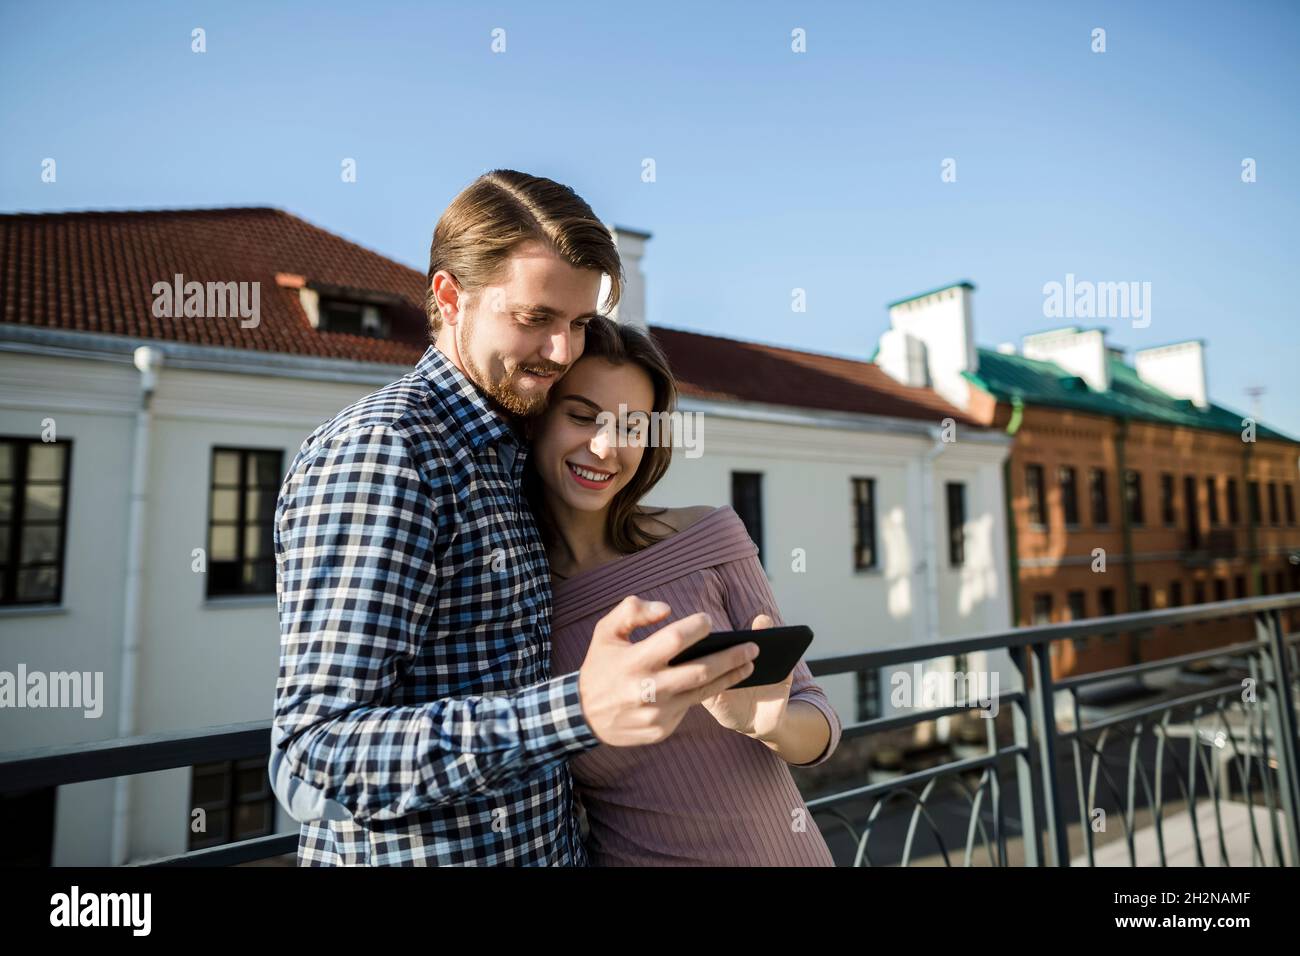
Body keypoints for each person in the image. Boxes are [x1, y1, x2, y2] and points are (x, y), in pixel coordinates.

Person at [268, 170, 758, 865]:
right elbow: (320, 750)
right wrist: (577, 712)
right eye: (535, 319)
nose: (564, 354)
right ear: (449, 297)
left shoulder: (512, 445)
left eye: (580, 324)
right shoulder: (387, 452)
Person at [525, 315, 842, 865]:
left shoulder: (708, 534)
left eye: (631, 427)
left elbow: (818, 718)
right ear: (537, 419)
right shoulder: (516, 594)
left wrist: (772, 726)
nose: (605, 448)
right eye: (582, 417)